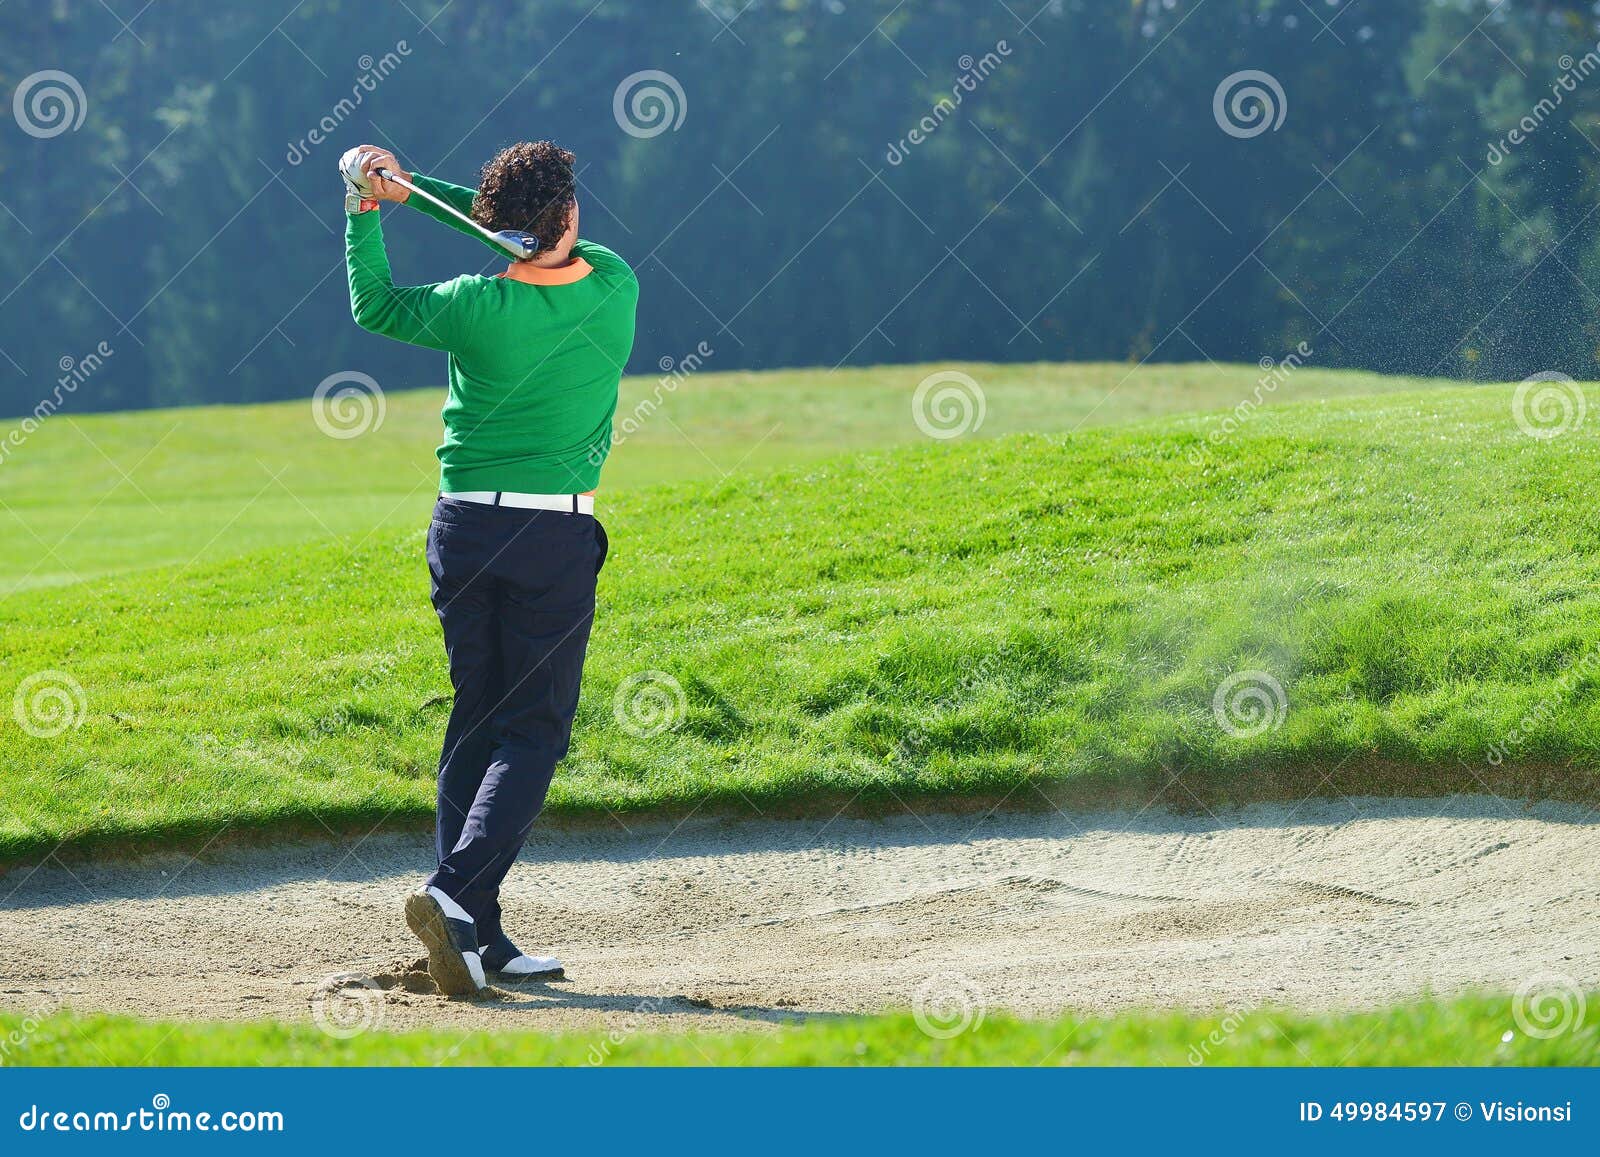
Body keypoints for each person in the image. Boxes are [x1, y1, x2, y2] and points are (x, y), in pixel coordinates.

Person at [340, 141, 638, 995]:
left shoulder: (471, 305)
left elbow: (376, 303)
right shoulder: (615, 283)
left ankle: (476, 935)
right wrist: (410, 190)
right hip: (552, 538)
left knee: (478, 717)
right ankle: (455, 892)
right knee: (533, 730)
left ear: (496, 226)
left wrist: (371, 206)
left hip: (463, 527)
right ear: (570, 217)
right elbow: (516, 232)